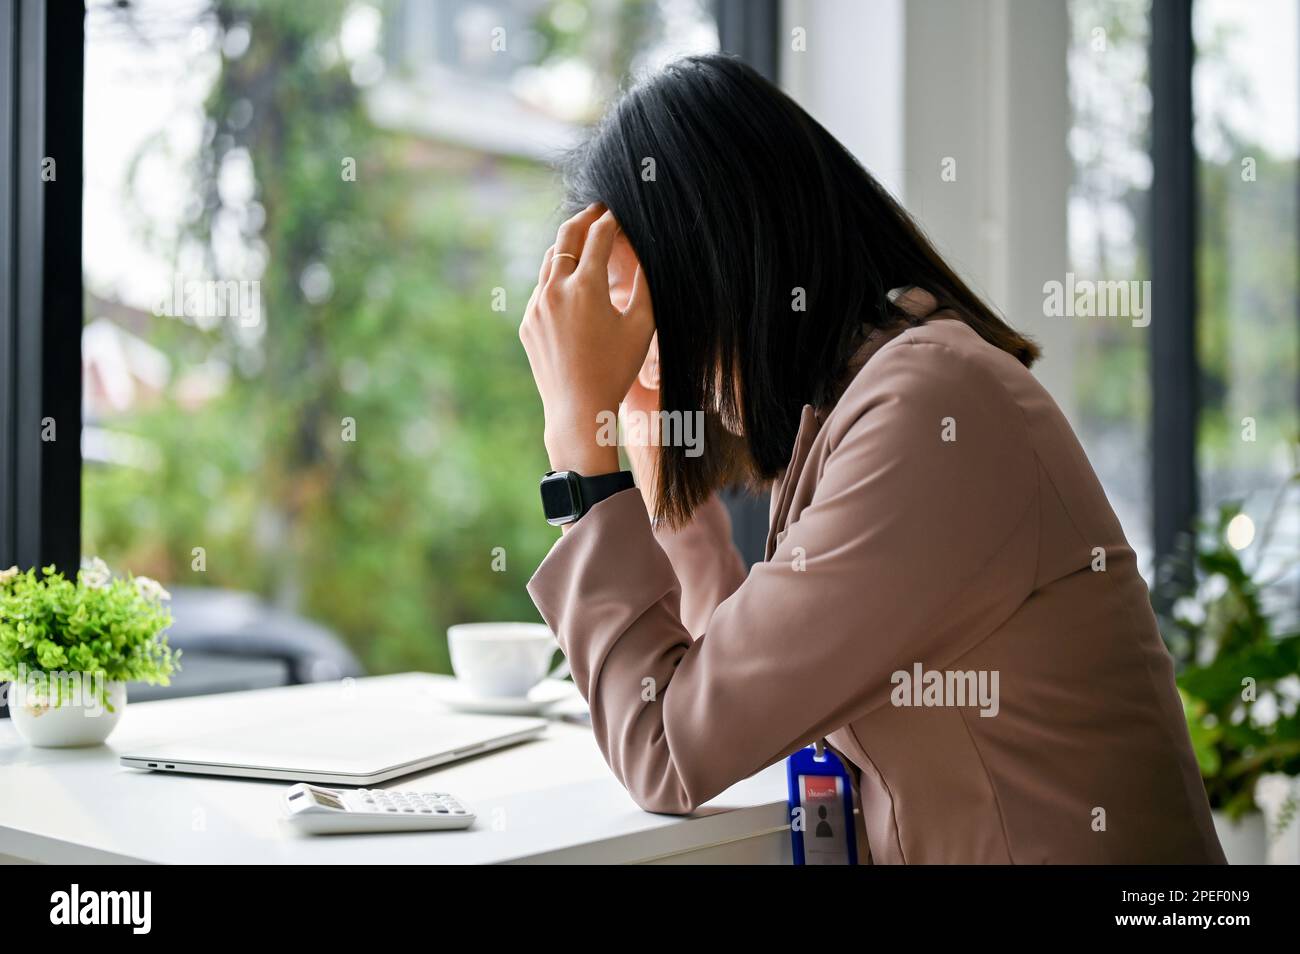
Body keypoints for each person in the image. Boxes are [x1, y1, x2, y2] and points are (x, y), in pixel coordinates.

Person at [517, 53, 1224, 864]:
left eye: (644, 317)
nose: (645, 355)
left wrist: (580, 456)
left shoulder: (931, 412)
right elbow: (740, 695)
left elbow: (669, 750)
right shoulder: (864, 409)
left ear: (714, 269)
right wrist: (651, 452)